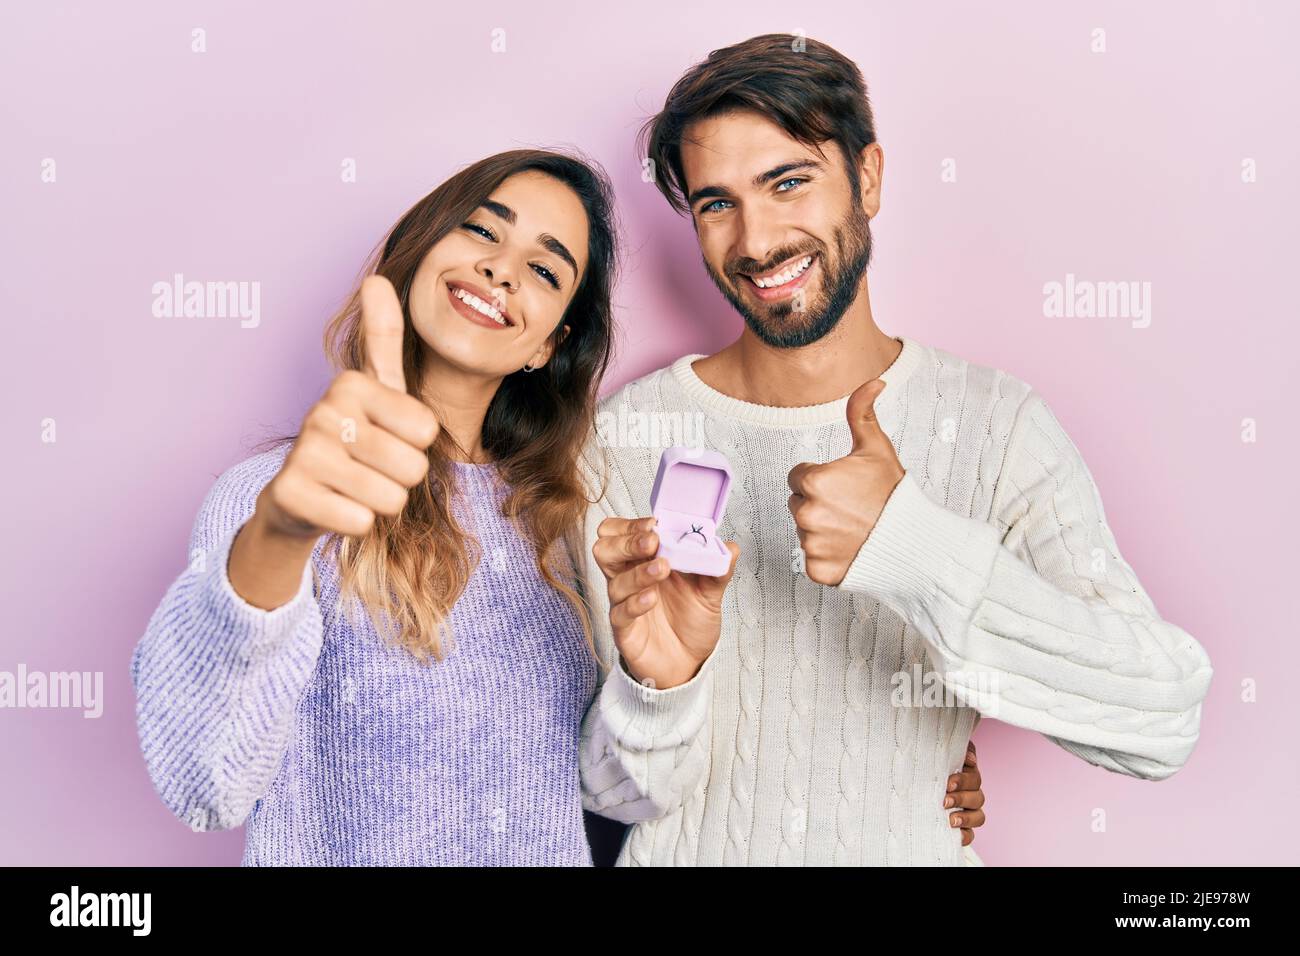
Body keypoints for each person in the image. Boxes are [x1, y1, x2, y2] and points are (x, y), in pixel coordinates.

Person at [129, 145, 993, 865]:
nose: (501, 270)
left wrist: (664, 682)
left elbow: (615, 795)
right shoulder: (274, 498)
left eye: (545, 269)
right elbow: (205, 785)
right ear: (420, 252)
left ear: (550, 343)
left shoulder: (565, 522)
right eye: (480, 231)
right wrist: (281, 535)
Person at [575, 34, 1212, 866]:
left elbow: (1163, 721)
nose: (757, 241)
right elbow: (611, 794)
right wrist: (662, 688)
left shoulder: (996, 425)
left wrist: (914, 549)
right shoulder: (627, 435)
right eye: (716, 204)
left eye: (789, 182)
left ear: (867, 177)